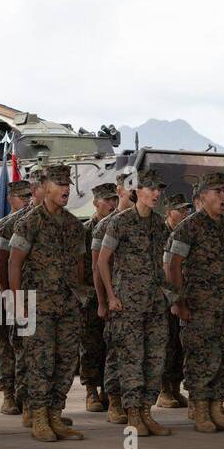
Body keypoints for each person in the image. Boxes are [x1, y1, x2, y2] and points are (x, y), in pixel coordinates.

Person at [8, 163, 84, 442]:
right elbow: (13, 263)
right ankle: (38, 416)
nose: (65, 190)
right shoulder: (29, 222)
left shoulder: (74, 225)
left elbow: (78, 263)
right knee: (40, 363)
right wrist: (17, 301)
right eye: (60, 185)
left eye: (67, 185)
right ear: (45, 187)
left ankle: (55, 414)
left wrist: (77, 295)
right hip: (37, 305)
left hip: (66, 306)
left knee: (65, 361)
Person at [167, 172, 224, 434]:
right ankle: (200, 407)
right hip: (199, 306)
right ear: (202, 197)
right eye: (217, 192)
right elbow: (173, 265)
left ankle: (216, 406)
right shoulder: (188, 228)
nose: (223, 197)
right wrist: (178, 301)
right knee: (202, 357)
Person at [98, 169, 171, 436]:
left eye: (158, 189)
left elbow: (164, 262)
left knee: (154, 358)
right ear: (136, 192)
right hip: (127, 304)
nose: (156, 194)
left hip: (154, 304)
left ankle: (146, 411)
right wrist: (110, 296)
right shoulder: (120, 222)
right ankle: (132, 414)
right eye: (150, 189)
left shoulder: (160, 224)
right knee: (131, 359)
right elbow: (103, 261)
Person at [0, 178, 32, 415]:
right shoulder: (3, 226)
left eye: (28, 196)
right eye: (21, 196)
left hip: (28, 295)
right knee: (5, 342)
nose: (26, 201)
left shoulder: (31, 222)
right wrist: (3, 291)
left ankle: (25, 395)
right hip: (4, 294)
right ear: (10, 199)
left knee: (26, 344)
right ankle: (8, 394)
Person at [92, 172, 134, 424]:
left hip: (143, 302)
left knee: (141, 357)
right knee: (116, 352)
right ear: (121, 190)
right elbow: (98, 266)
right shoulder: (107, 225)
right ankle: (114, 401)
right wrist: (103, 299)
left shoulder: (149, 222)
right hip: (118, 301)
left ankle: (139, 407)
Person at [79, 182, 117, 412]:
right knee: (91, 344)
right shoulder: (85, 230)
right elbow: (80, 266)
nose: (112, 204)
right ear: (96, 203)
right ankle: (91, 390)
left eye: (114, 199)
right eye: (107, 200)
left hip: (114, 293)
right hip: (91, 297)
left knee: (111, 344)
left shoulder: (118, 227)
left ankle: (108, 390)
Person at [157, 189, 190, 410]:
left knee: (180, 344)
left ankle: (176, 387)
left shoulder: (186, 233)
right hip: (165, 299)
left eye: (187, 209)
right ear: (169, 212)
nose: (186, 213)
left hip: (183, 294)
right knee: (166, 344)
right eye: (181, 210)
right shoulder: (160, 233)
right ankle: (164, 390)